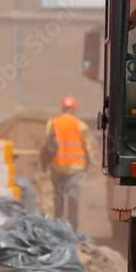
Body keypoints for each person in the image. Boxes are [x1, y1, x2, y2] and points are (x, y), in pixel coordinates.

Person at [41, 95, 92, 230]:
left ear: (62, 108)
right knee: (73, 199)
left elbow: (46, 145)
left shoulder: (52, 123)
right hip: (76, 168)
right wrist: (89, 163)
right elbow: (88, 147)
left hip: (57, 166)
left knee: (58, 199)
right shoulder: (81, 125)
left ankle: (58, 228)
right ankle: (73, 229)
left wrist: (44, 164)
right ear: (74, 109)